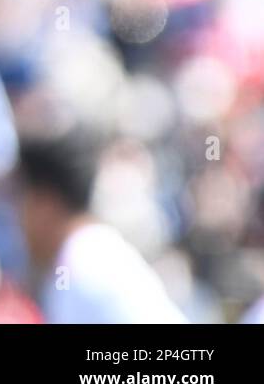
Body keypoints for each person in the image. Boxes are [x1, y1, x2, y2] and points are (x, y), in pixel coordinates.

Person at [16, 127, 186, 324]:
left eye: (21, 200)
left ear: (45, 203)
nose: (18, 217)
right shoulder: (96, 250)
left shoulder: (79, 268)